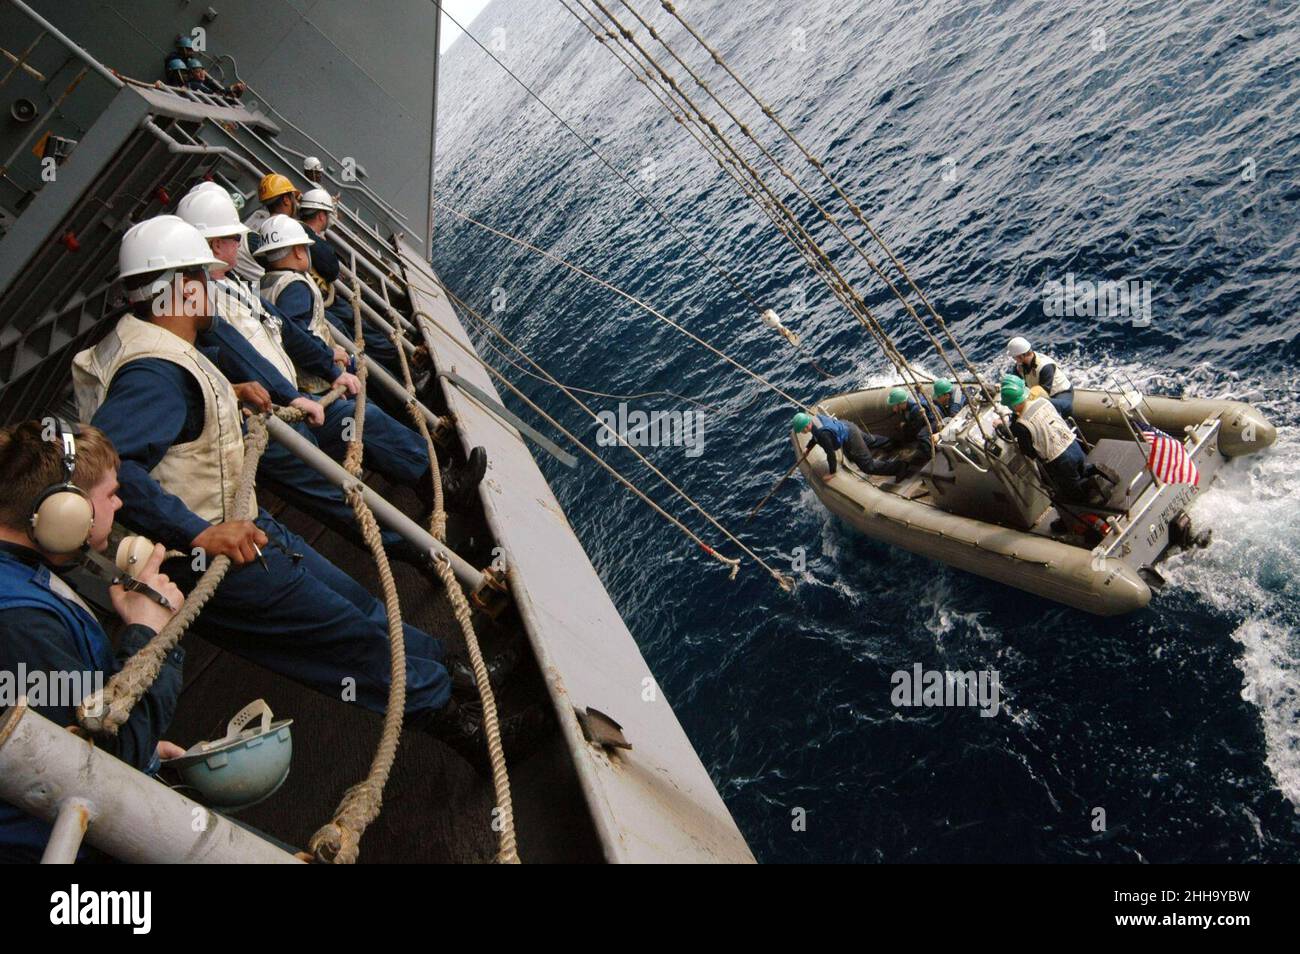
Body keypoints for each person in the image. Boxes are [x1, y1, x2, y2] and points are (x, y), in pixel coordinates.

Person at [71, 216, 502, 771]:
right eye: (202, 275)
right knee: (348, 641)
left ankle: (466, 674)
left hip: (242, 528)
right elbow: (115, 463)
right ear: (181, 289)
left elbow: (153, 415)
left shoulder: (142, 345)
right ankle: (471, 727)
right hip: (213, 556)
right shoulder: (154, 371)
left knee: (360, 605)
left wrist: (229, 388)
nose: (210, 287)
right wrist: (198, 531)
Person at [174, 186, 483, 542]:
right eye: (230, 238)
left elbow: (285, 330)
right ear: (214, 245)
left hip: (293, 404)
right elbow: (246, 355)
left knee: (362, 455)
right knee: (347, 487)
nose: (236, 245)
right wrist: (298, 393)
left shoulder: (234, 285)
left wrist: (329, 369)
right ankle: (438, 514)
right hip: (283, 415)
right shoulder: (211, 302)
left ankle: (434, 500)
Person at [0, 420, 186, 862]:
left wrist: (148, 750)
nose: (119, 503)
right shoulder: (18, 622)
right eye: (110, 494)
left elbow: (55, 727)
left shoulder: (21, 580)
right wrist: (148, 632)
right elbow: (101, 765)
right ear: (67, 510)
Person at [298, 188, 404, 378]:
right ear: (321, 215)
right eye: (329, 214)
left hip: (322, 303)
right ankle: (406, 373)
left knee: (363, 343)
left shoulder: (297, 231)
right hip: (328, 305)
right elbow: (331, 268)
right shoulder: (307, 236)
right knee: (370, 339)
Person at [999, 376, 1113, 504]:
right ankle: (1093, 468)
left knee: (1071, 488)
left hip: (1059, 460)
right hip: (1073, 445)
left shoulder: (1021, 424)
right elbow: (1066, 408)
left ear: (1013, 405)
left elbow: (1028, 451)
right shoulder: (1043, 401)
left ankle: (1089, 506)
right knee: (1080, 469)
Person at [792, 411, 906, 480]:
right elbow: (815, 437)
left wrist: (832, 472)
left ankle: (899, 467)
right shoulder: (814, 420)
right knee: (870, 441)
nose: (802, 432)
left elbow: (830, 454)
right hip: (848, 426)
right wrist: (808, 447)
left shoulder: (822, 434)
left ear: (806, 427)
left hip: (850, 437)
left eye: (801, 430)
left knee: (867, 466)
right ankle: (893, 443)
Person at [1006, 336, 1073, 419]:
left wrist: (1026, 402)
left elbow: (1043, 392)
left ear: (1021, 356)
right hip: (1039, 396)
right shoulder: (1019, 367)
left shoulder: (1046, 366)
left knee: (1058, 407)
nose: (1014, 359)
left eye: (1014, 357)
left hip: (1060, 393)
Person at [886, 386, 941, 461]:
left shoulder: (916, 409)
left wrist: (906, 426)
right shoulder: (907, 400)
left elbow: (916, 427)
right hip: (924, 419)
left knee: (922, 435)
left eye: (895, 405)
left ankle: (931, 455)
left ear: (901, 403)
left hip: (934, 420)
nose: (893, 407)